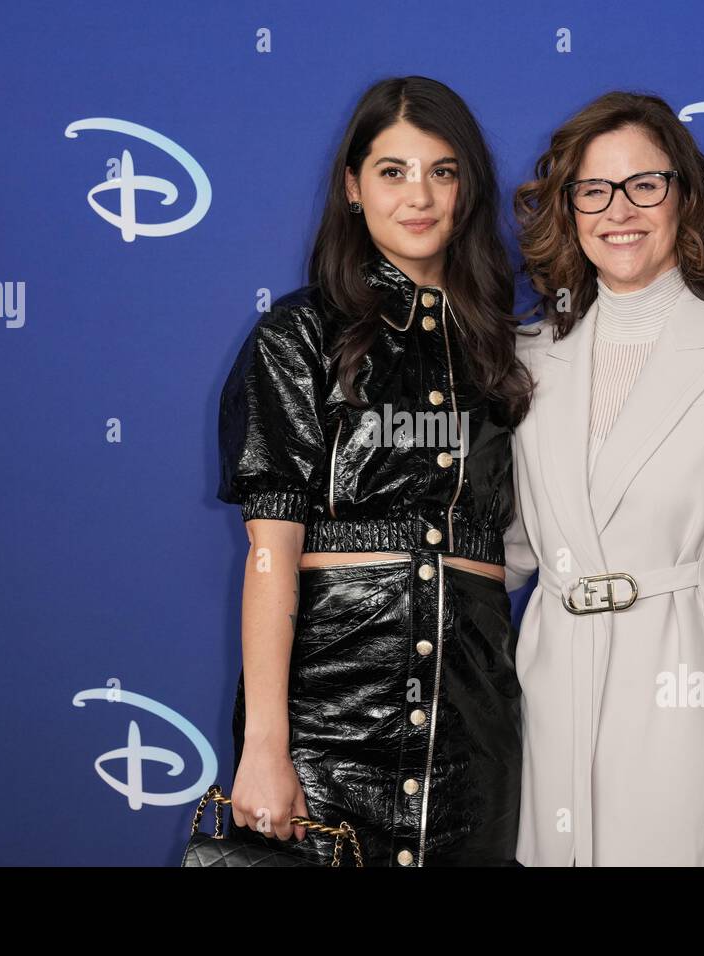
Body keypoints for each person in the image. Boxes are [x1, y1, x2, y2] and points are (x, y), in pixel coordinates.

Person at [216, 76, 534, 866]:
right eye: (392, 171)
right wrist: (265, 745)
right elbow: (271, 555)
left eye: (442, 170)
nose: (418, 195)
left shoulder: (506, 350)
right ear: (353, 187)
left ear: (468, 188)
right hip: (330, 718)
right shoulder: (299, 336)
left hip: (475, 728)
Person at [506, 91, 704, 866]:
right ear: (570, 209)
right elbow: (511, 551)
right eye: (594, 189)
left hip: (688, 709)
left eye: (645, 184)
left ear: (683, 195)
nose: (620, 210)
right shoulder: (526, 355)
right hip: (550, 713)